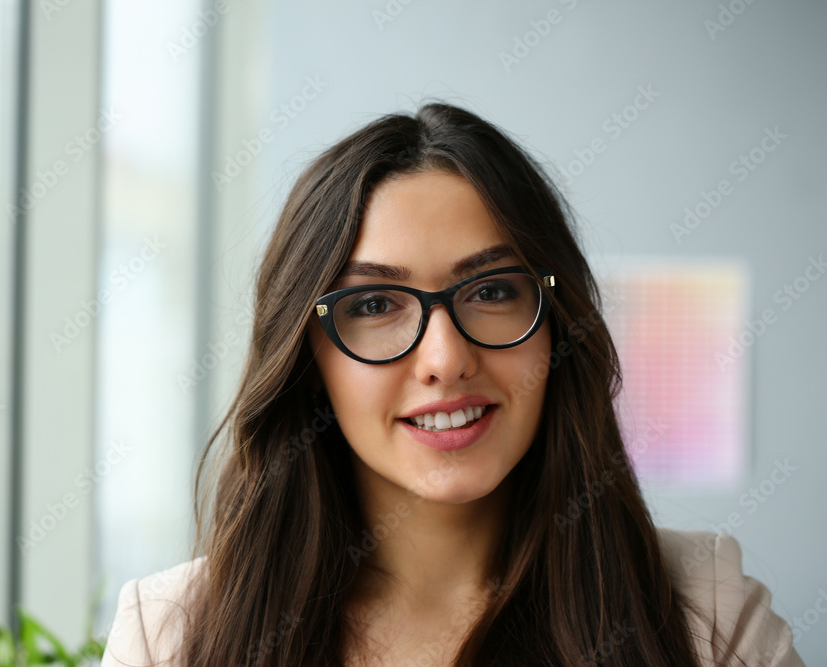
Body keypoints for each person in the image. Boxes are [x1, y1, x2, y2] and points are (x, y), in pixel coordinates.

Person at [101, 102, 805, 666]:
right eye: (374, 305)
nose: (445, 357)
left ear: (558, 323)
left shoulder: (708, 616)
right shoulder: (169, 637)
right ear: (306, 357)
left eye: (493, 290)